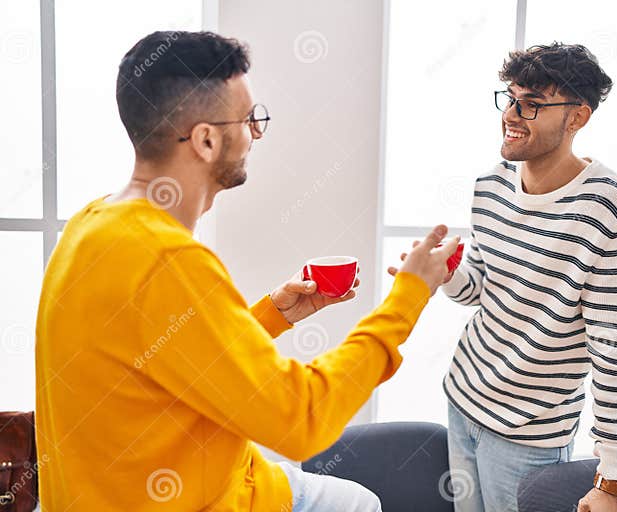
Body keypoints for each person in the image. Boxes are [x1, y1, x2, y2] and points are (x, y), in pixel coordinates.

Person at [35, 30, 459, 511]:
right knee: (359, 504)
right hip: (201, 498)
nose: (256, 134)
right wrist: (410, 294)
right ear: (207, 139)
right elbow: (303, 420)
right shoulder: (167, 259)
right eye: (251, 119)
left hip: (135, 486)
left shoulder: (92, 224)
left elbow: (161, 355)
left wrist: (271, 315)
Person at [393, 42, 617, 512]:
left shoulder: (607, 210)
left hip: (529, 432)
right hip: (464, 397)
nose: (512, 113)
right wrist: (446, 274)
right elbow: (485, 290)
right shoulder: (491, 186)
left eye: (532, 104)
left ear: (577, 118)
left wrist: (613, 479)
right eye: (510, 98)